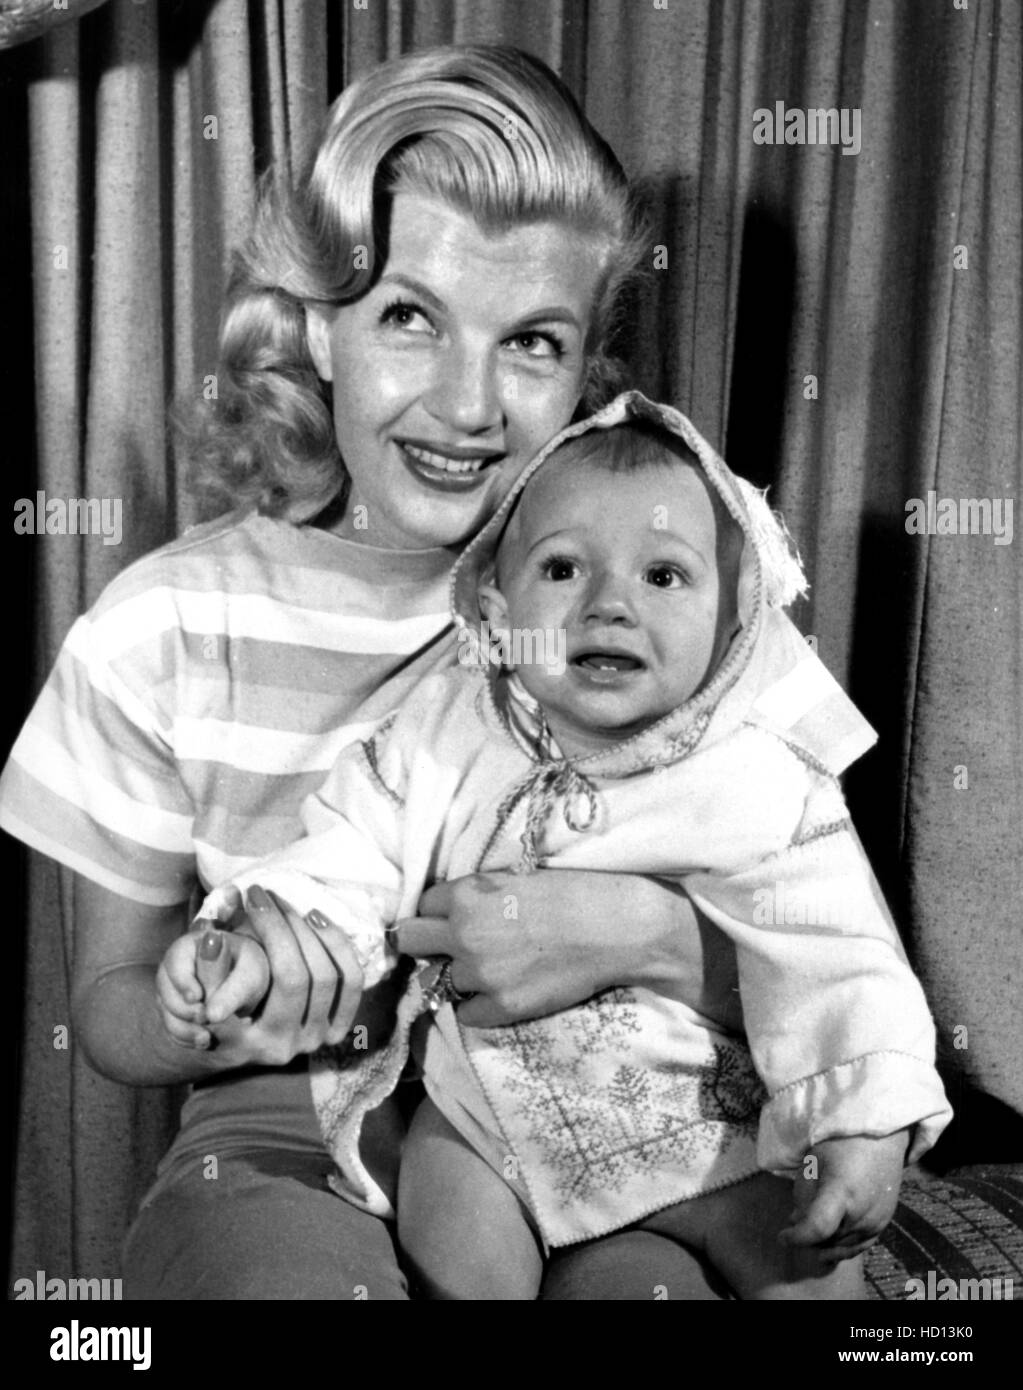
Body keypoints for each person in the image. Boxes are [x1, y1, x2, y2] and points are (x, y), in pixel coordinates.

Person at [0, 44, 731, 1300]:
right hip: (285, 1140)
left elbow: (808, 915)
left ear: (587, 371)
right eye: (409, 317)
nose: (466, 405)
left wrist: (656, 939)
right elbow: (108, 1012)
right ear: (320, 330)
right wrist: (209, 1009)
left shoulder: (654, 601)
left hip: (603, 1114)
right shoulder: (160, 630)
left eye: (532, 343)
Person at [170, 395, 952, 1300]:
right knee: (451, 1235)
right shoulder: (448, 733)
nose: (609, 606)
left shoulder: (760, 775)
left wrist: (861, 1130)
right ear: (498, 610)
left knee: (811, 1270)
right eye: (564, 568)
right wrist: (260, 941)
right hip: (493, 1114)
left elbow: (839, 954)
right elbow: (347, 854)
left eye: (664, 576)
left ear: (734, 616)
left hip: (710, 1121)